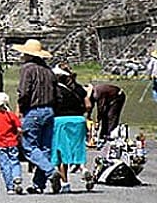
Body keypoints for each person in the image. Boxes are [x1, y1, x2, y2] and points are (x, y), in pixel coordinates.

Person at [13, 38, 60, 194]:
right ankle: (39, 185)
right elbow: (57, 94)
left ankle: (49, 171)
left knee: (29, 146)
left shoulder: (28, 69)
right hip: (49, 111)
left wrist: (21, 107)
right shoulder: (49, 71)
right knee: (45, 148)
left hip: (33, 111)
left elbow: (24, 92)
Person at [51, 65, 89, 193]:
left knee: (61, 152)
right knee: (77, 148)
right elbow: (88, 105)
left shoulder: (54, 90)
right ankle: (83, 168)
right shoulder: (79, 88)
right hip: (79, 120)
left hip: (60, 120)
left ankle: (65, 182)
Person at [0, 92, 24, 195]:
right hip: (12, 142)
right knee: (14, 161)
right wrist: (18, 137)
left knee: (4, 165)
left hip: (0, 143)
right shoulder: (12, 116)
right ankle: (17, 176)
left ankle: (10, 187)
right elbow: (19, 129)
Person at [88, 81, 126, 145]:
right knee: (104, 116)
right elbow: (90, 106)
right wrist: (88, 116)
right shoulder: (91, 96)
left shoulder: (97, 93)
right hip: (109, 98)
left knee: (111, 116)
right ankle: (103, 136)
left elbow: (100, 108)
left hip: (118, 96)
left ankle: (110, 135)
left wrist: (97, 121)